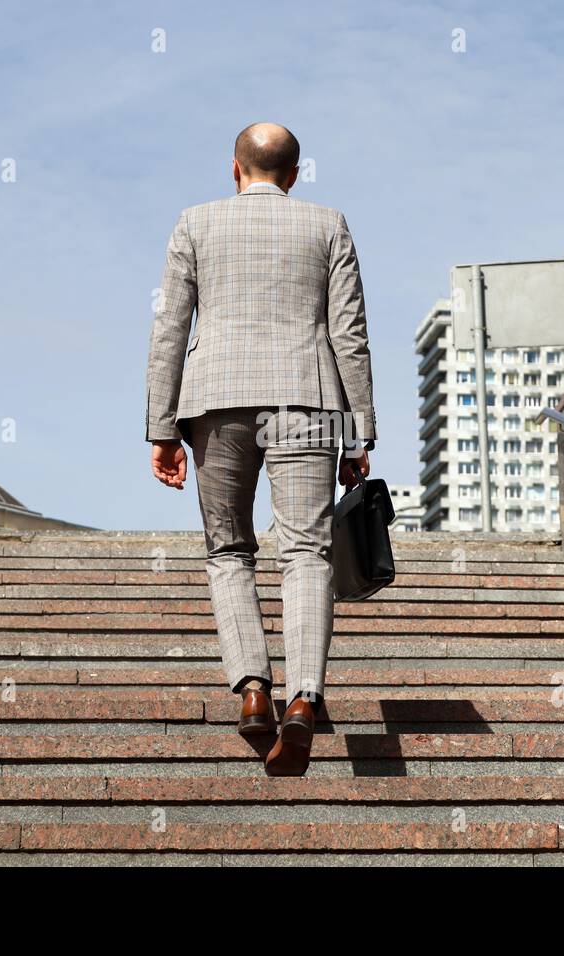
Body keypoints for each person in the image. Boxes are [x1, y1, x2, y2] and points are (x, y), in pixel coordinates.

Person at [144, 122, 376, 776]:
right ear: (295, 174)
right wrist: (358, 434)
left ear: (235, 168)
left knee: (228, 549)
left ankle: (252, 689)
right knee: (306, 549)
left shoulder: (195, 224)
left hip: (216, 401)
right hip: (307, 398)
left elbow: (170, 330)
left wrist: (163, 426)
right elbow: (350, 335)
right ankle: (304, 699)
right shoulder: (328, 225)